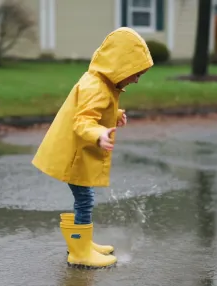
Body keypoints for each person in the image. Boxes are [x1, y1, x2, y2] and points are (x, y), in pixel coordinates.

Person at [31, 27, 153, 269]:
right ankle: (80, 251)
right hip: (76, 155)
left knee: (83, 200)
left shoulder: (99, 83)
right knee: (85, 200)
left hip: (75, 152)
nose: (137, 79)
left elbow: (94, 110)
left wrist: (113, 115)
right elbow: (83, 120)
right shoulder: (97, 87)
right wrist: (98, 133)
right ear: (120, 66)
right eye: (136, 73)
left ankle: (81, 244)